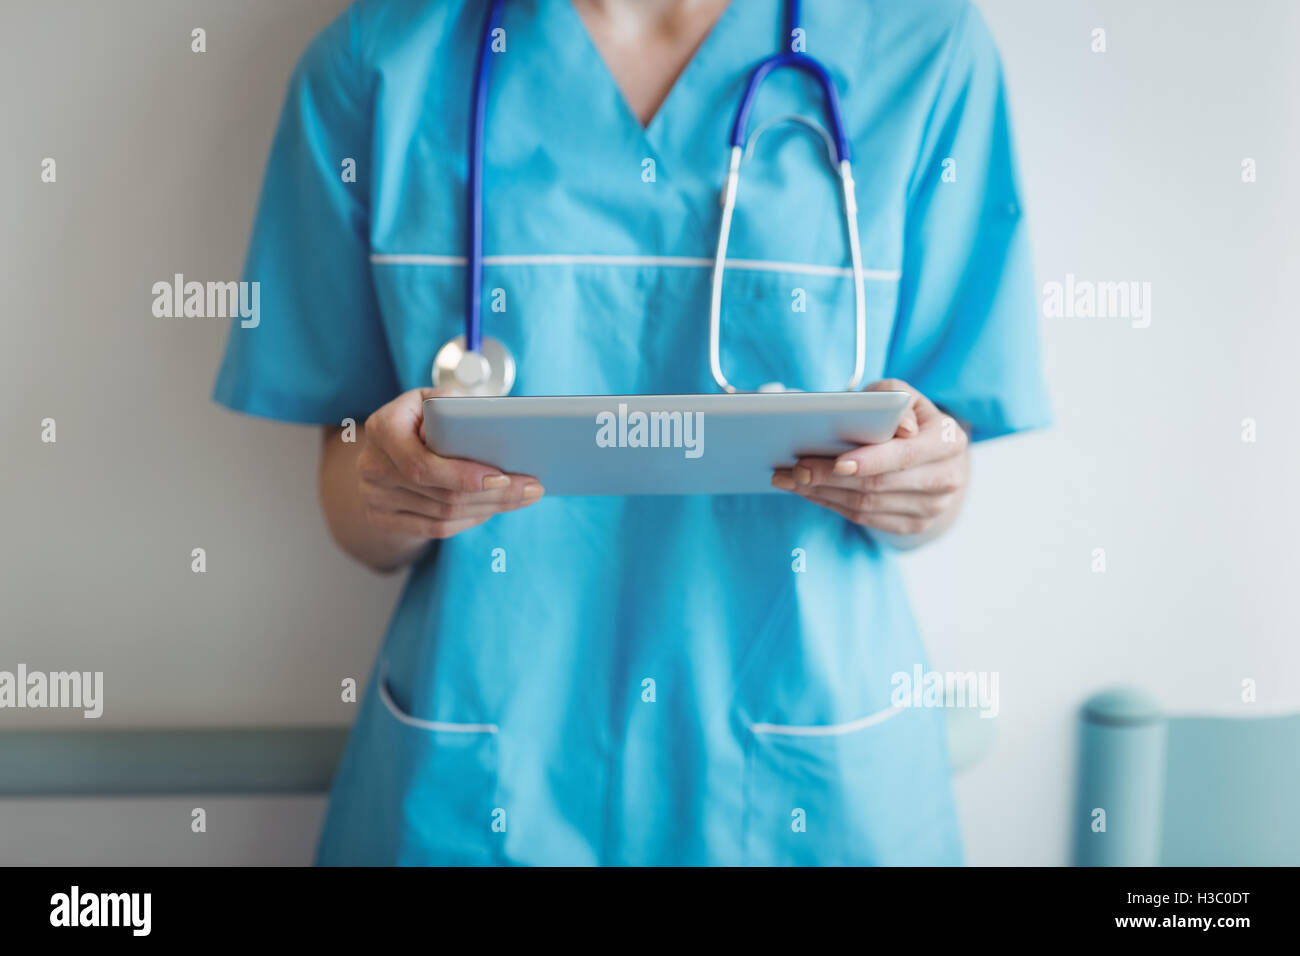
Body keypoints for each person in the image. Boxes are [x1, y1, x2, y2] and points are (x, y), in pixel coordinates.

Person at [214, 0, 1050, 865]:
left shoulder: (925, 48)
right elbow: (352, 510)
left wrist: (927, 487)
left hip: (806, 777)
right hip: (484, 772)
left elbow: (942, 457)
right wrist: (391, 488)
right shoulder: (377, 63)